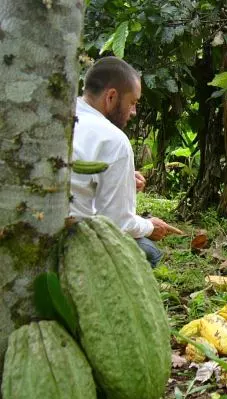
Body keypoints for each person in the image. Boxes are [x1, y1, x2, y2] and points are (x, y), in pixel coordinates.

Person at [70, 56, 182, 268]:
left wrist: (124, 177)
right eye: (132, 102)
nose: (134, 112)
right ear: (111, 96)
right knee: (149, 251)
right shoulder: (113, 139)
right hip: (73, 243)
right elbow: (117, 224)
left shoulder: (62, 115)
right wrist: (149, 227)